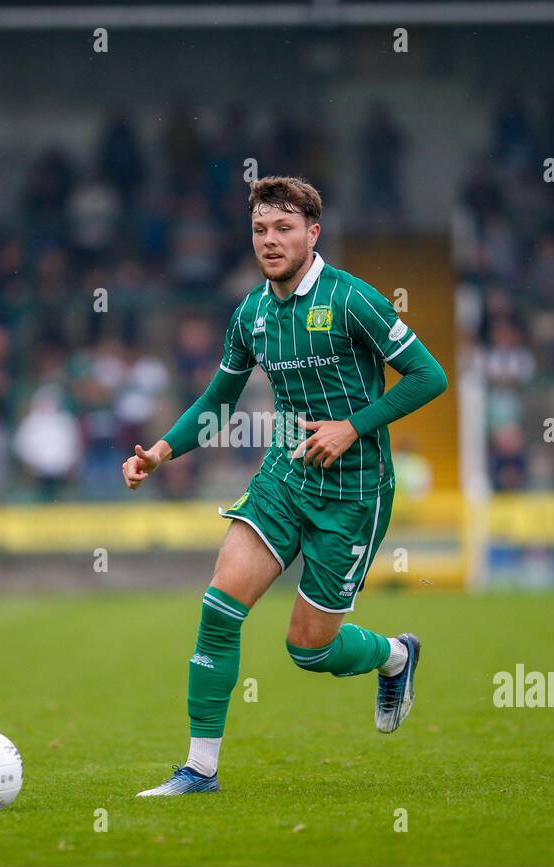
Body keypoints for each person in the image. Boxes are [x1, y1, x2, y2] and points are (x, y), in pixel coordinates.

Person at [122, 177, 447, 796]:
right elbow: (219, 399)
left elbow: (429, 376)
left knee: (309, 649)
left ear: (312, 234)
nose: (270, 241)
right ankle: (199, 770)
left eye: (284, 229)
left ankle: (396, 656)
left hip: (354, 494)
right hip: (282, 477)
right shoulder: (251, 314)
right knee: (219, 606)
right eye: (260, 230)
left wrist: (354, 426)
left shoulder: (354, 301)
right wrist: (160, 451)